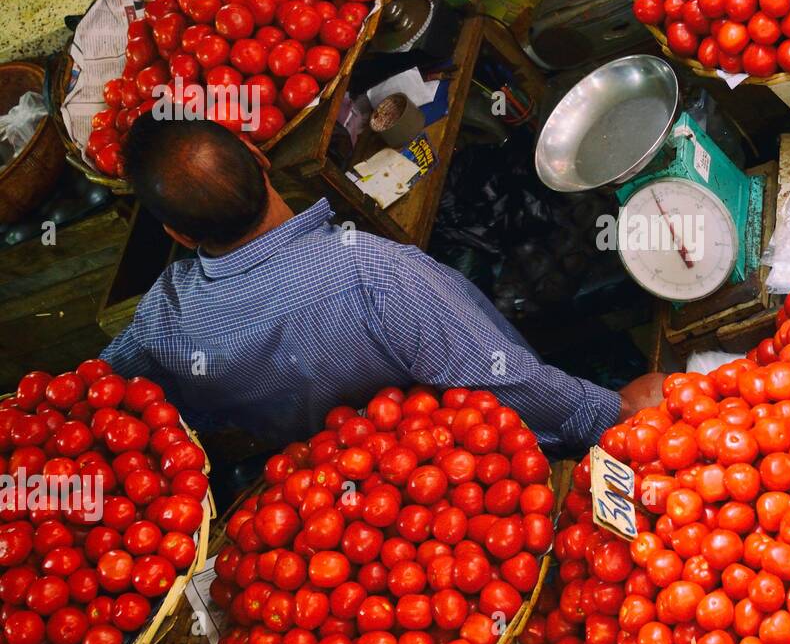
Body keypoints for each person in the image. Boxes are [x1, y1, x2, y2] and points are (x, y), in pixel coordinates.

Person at [101, 118, 663, 462]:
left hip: (355, 486)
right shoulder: (374, 274)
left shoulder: (162, 324)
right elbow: (504, 379)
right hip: (467, 461)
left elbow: (93, 400)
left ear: (177, 233)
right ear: (257, 156)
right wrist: (609, 413)